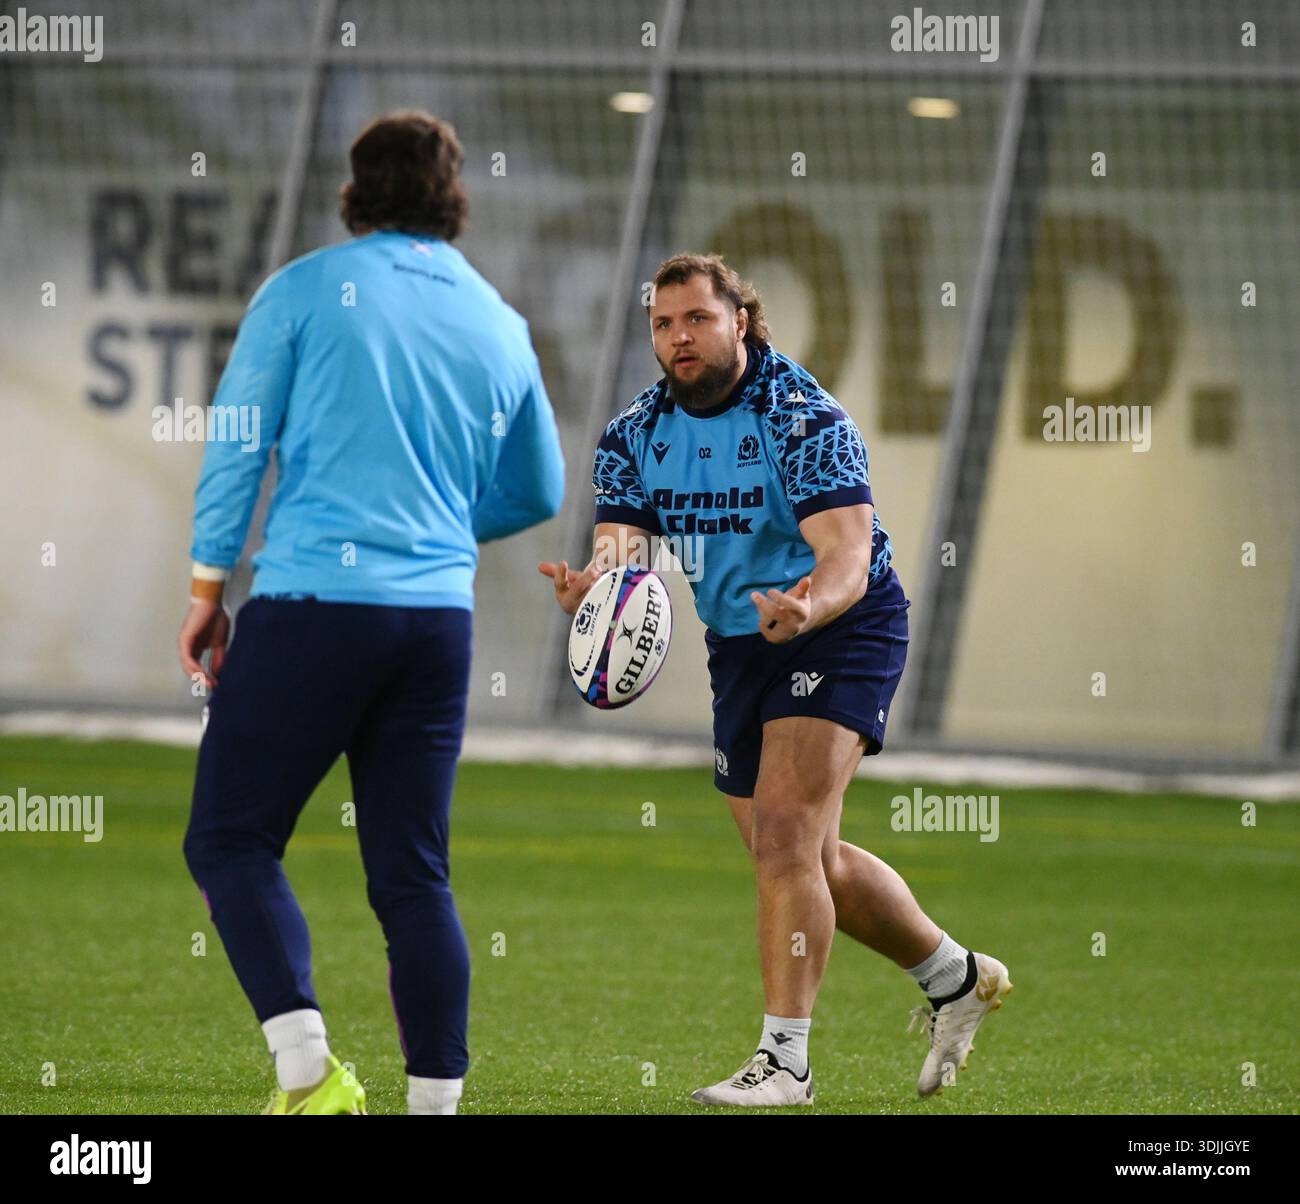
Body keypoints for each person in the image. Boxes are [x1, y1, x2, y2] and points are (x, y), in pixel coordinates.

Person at [540, 253, 1010, 1106]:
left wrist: (806, 609)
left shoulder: (801, 417)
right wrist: (594, 591)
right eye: (663, 323)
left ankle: (785, 1062)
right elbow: (624, 552)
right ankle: (956, 977)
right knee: (801, 855)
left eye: (698, 319)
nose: (679, 337)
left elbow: (848, 557)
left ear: (741, 323)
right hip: (743, 644)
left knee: (788, 839)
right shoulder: (634, 434)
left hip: (840, 624)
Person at [180, 110, 565, 1116]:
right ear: (453, 195)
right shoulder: (498, 320)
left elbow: (234, 446)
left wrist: (207, 588)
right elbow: (536, 489)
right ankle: (433, 1108)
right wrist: (433, 529)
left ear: (354, 191)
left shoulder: (304, 290)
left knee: (229, 838)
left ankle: (309, 1075)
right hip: (436, 621)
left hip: (313, 607)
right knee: (413, 876)